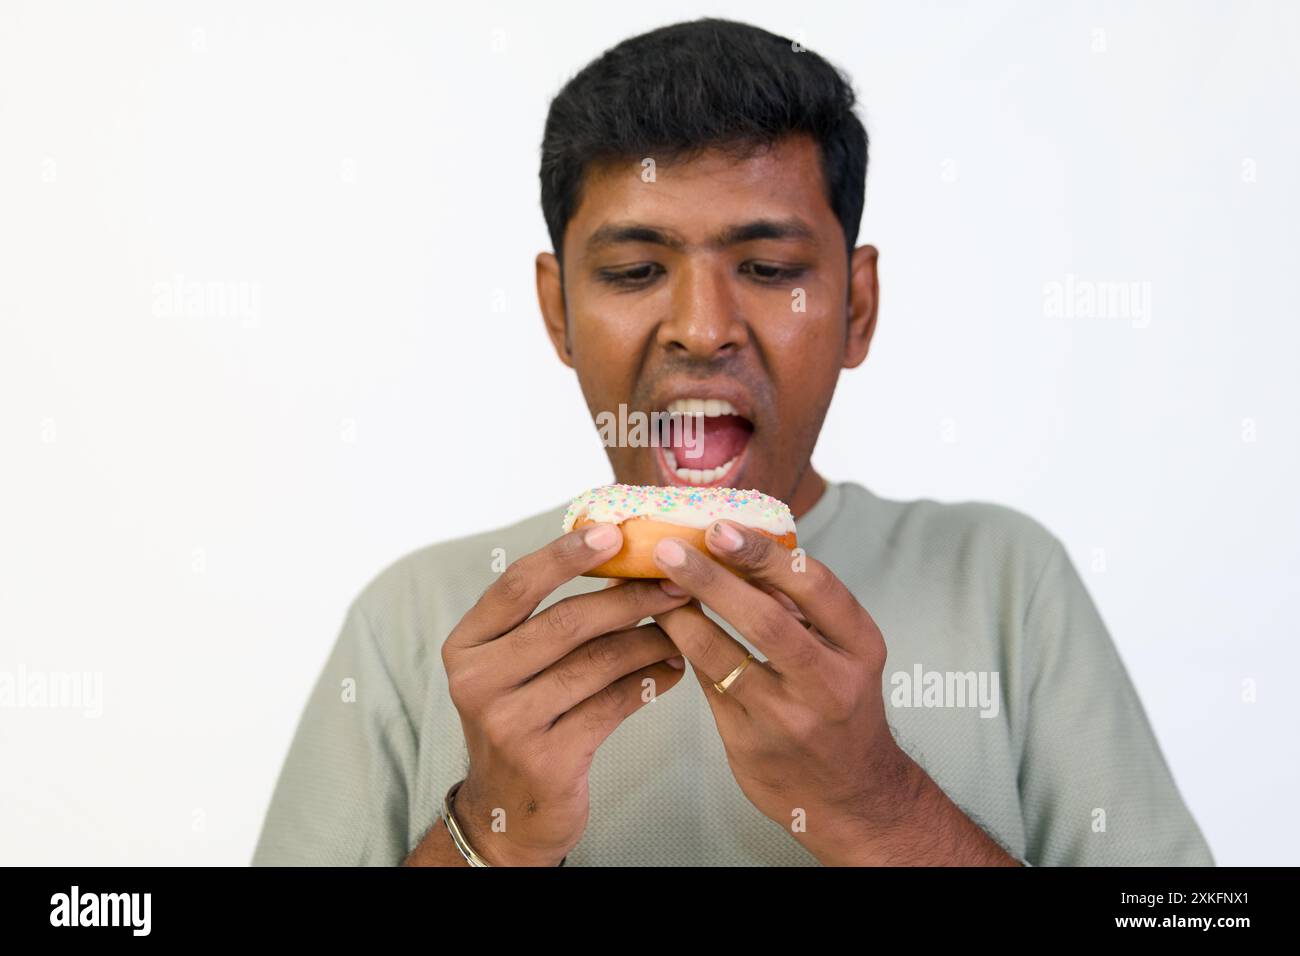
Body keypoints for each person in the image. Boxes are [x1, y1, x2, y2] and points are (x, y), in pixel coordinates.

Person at [252, 17, 1214, 867]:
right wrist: (488, 837)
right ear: (557, 313)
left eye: (766, 267)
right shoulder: (415, 618)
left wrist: (880, 811)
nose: (703, 327)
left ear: (856, 307)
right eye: (634, 270)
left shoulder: (1007, 581)